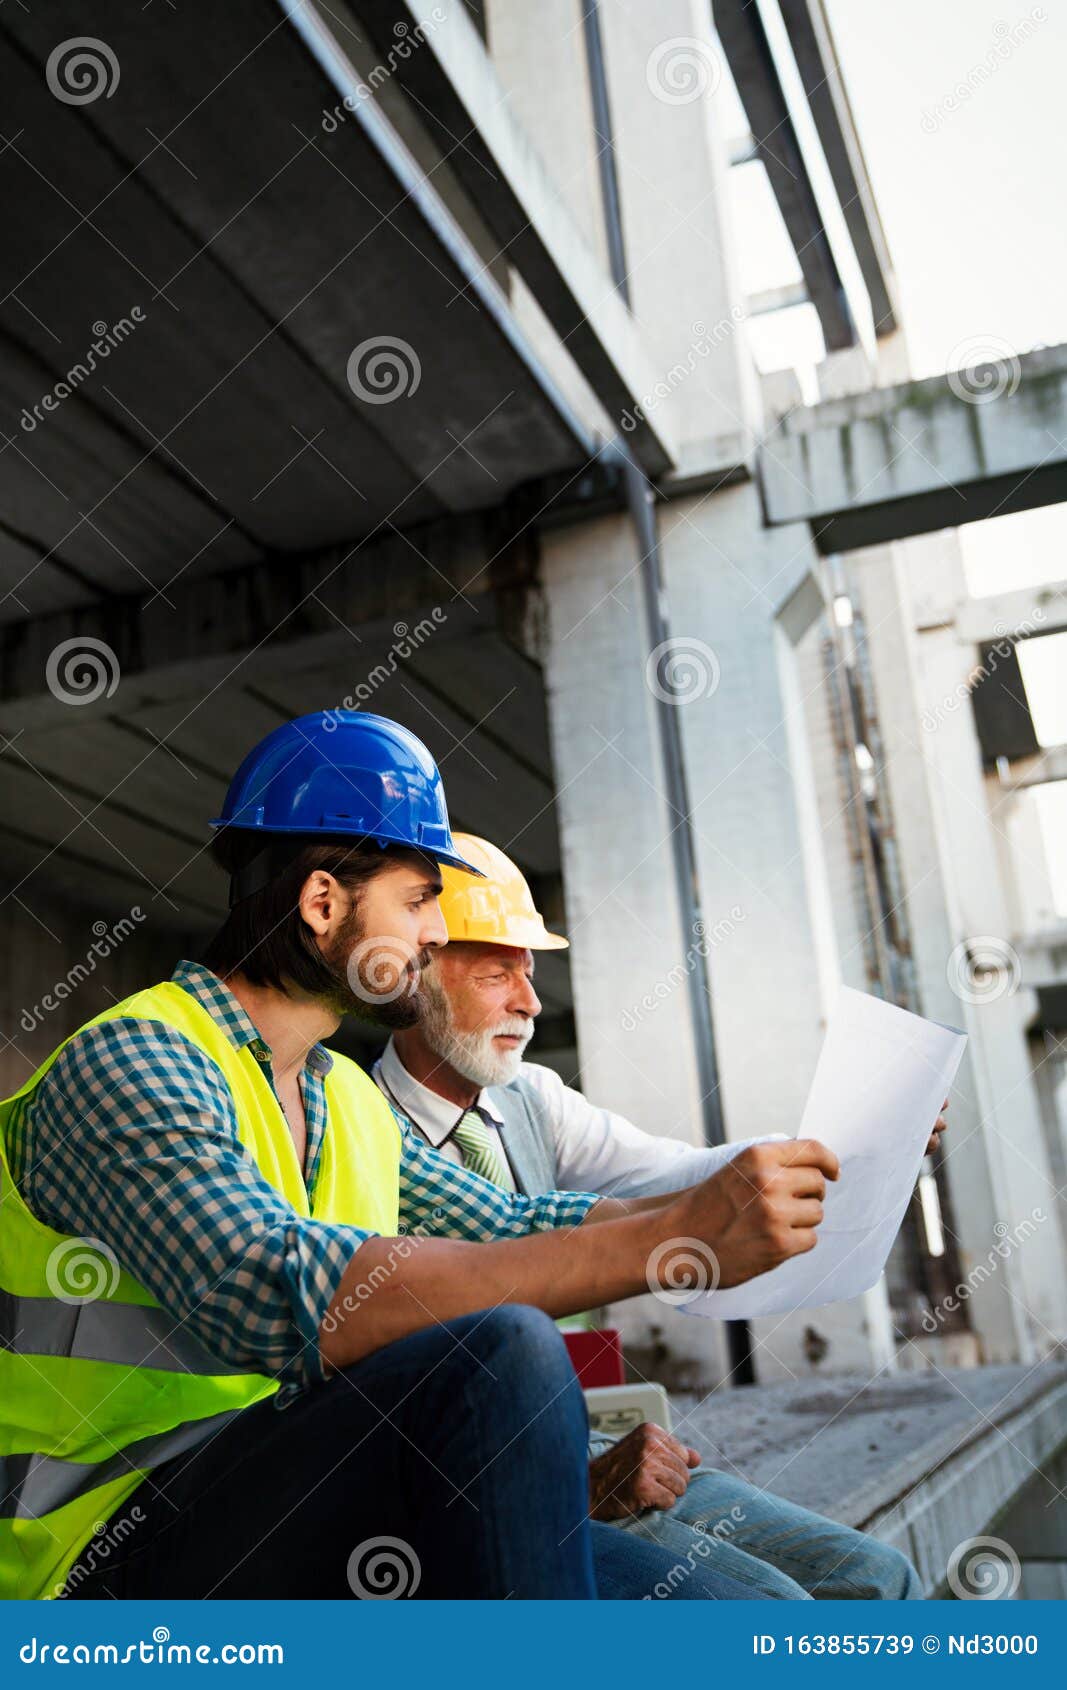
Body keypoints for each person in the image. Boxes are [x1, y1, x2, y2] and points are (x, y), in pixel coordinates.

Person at [0, 714, 835, 1601]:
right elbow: (272, 1288)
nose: (436, 932)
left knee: (743, 1613)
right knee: (500, 1350)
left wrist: (718, 1212)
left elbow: (509, 1226)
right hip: (100, 1551)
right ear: (323, 904)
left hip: (295, 1495)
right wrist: (669, 1238)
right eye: (417, 901)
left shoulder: (342, 1096)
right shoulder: (136, 1059)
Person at [375, 833, 940, 1600]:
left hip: (574, 1437)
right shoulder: (363, 1127)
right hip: (469, 1473)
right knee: (775, 1608)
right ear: (418, 974)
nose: (529, 1002)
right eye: (496, 973)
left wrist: (829, 1152)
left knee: (876, 1576)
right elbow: (515, 1227)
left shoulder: (530, 1098)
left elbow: (669, 1172)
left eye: (528, 972)